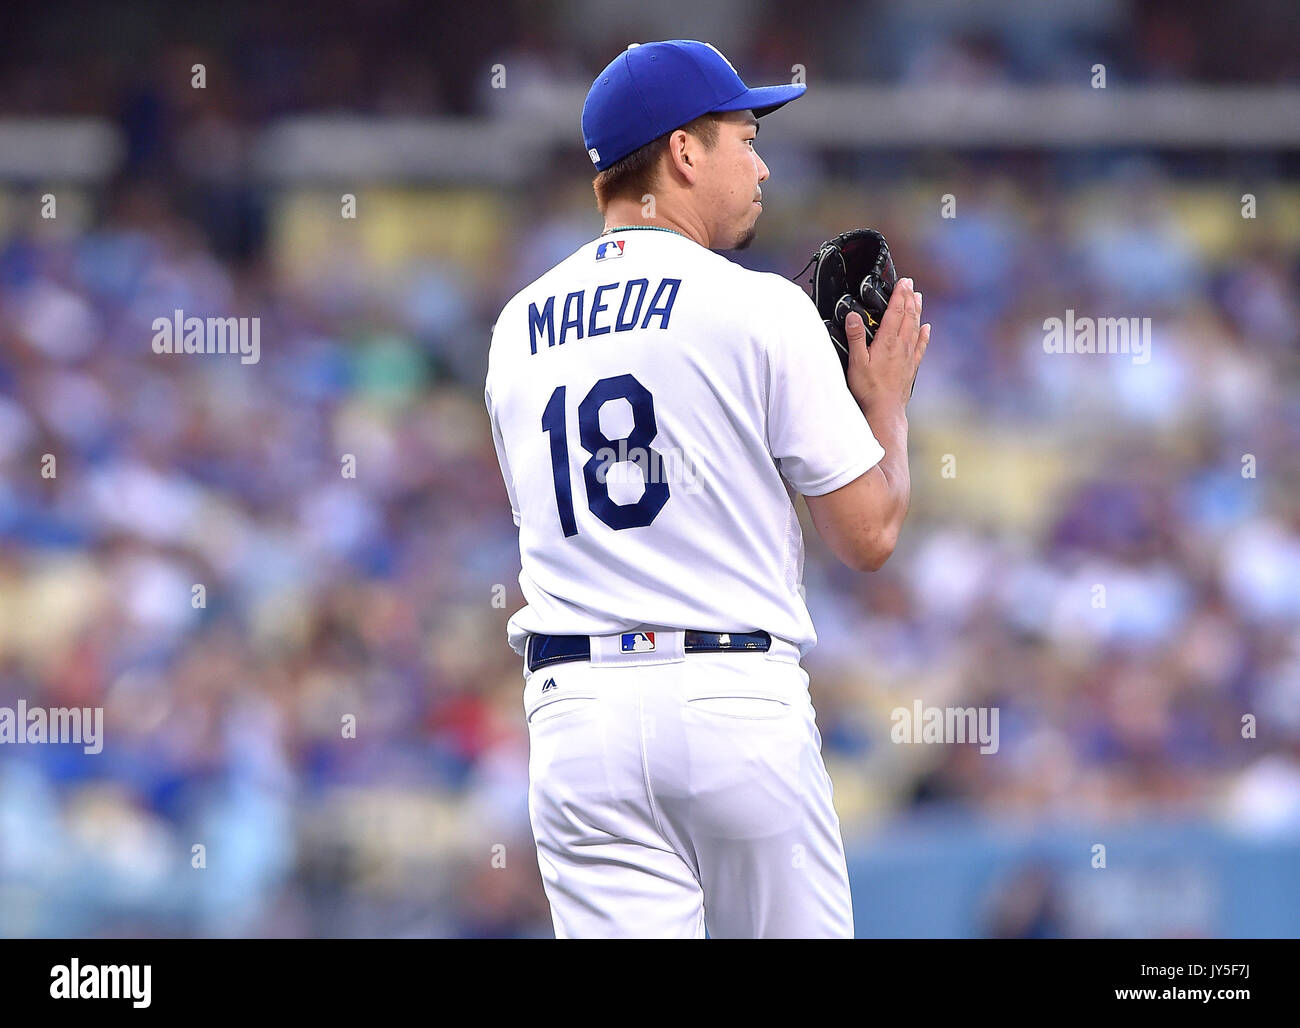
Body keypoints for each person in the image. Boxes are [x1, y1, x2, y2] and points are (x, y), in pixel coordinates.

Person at [484, 39, 930, 938]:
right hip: (729, 700)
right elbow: (868, 535)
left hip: (577, 719)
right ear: (684, 153)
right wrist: (882, 407)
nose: (762, 163)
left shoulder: (516, 326)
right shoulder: (755, 305)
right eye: (743, 136)